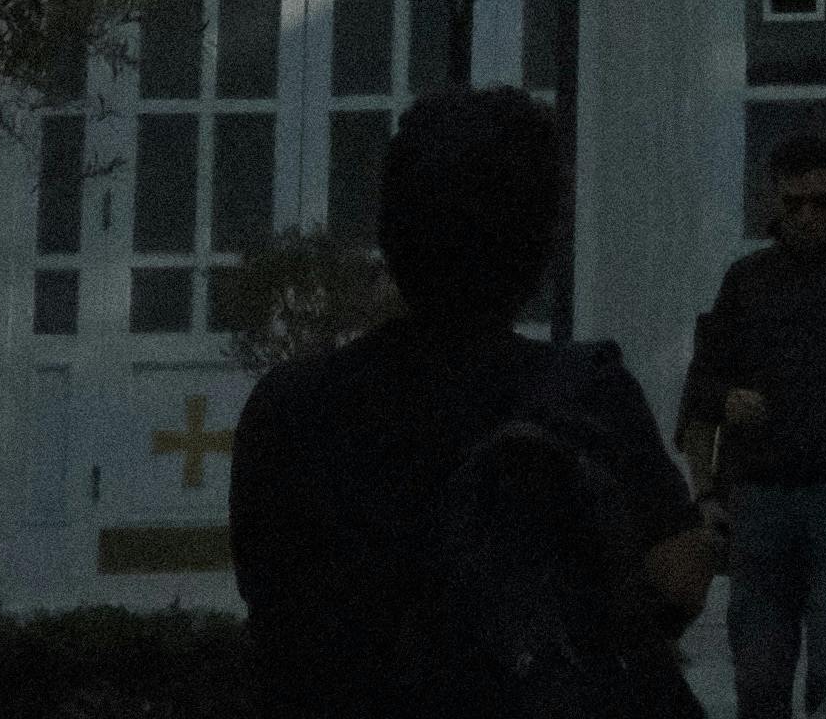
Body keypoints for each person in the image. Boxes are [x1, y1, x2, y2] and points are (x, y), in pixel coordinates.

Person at [230, 80, 709, 719]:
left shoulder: (285, 409)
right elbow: (672, 581)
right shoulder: (586, 394)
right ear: (541, 242)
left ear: (390, 228)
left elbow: (271, 600)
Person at [678, 133, 826, 719]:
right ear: (774, 203)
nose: (807, 215)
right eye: (794, 203)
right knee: (758, 677)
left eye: (820, 202)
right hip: (764, 502)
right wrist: (725, 408)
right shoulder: (747, 279)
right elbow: (700, 386)